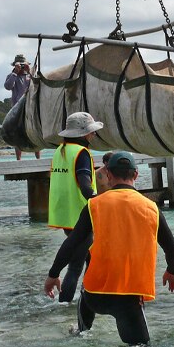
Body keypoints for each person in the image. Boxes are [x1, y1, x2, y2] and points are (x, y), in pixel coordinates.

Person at [45, 151, 174, 347]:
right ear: (135, 175)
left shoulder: (95, 205)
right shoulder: (151, 208)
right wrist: (171, 271)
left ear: (108, 175)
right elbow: (172, 248)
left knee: (84, 300)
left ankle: (81, 330)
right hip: (129, 297)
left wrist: (53, 274)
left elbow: (72, 244)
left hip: (95, 295)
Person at [49, 111, 103, 302]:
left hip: (63, 215)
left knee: (88, 258)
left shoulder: (60, 150)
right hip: (80, 216)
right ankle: (67, 303)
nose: (93, 135)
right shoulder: (82, 153)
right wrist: (100, 201)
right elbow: (84, 183)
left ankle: (89, 297)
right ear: (82, 134)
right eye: (91, 131)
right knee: (76, 265)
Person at [5, 54, 40, 159]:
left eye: (23, 65)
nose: (22, 67)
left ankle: (38, 159)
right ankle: (18, 160)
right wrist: (15, 72)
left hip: (31, 107)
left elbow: (38, 84)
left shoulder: (30, 75)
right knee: (17, 134)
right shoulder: (12, 76)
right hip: (17, 109)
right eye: (20, 65)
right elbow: (8, 86)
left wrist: (30, 71)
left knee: (34, 132)